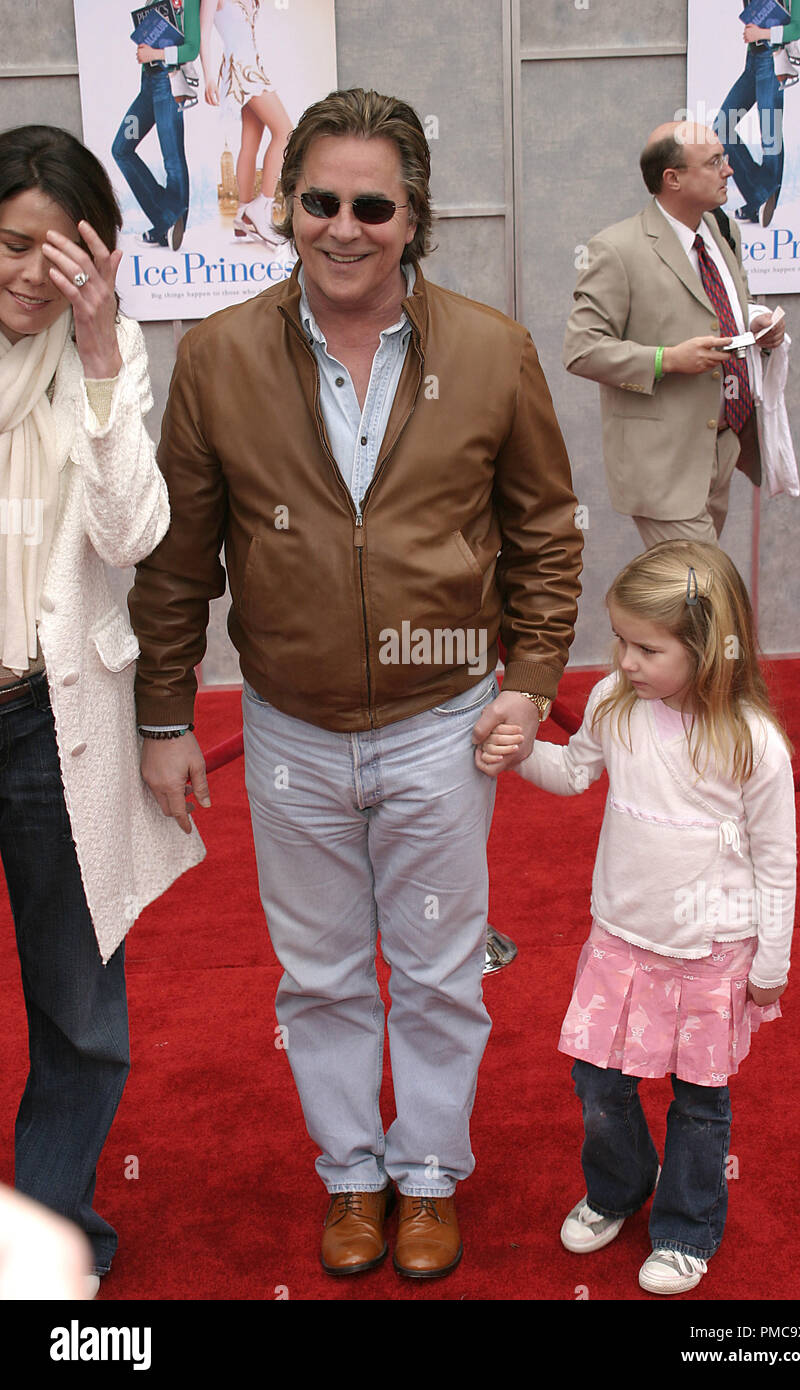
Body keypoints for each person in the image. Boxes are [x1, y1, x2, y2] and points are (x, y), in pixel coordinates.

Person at [128, 88, 583, 1280]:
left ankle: (427, 1173)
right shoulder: (218, 356)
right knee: (320, 973)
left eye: (371, 205)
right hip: (286, 729)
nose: (343, 226)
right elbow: (179, 557)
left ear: (413, 217)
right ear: (283, 209)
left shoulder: (492, 351)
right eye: (318, 200)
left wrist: (528, 680)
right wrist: (166, 714)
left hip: (444, 724)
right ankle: (351, 1173)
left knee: (437, 966)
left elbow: (544, 530)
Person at [479, 540, 795, 1295]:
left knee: (700, 1102)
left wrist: (770, 964)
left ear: (711, 647)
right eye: (619, 639)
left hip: (712, 955)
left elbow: (777, 862)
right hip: (619, 943)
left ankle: (687, 1227)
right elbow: (573, 772)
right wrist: (518, 750)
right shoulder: (614, 707)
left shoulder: (754, 743)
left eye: (646, 647)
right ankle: (620, 1186)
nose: (624, 659)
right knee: (597, 1084)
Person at [0, 125, 204, 1293]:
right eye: (13, 244)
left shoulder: (109, 351)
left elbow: (134, 533)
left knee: (80, 1007)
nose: (34, 272)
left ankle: (50, 1236)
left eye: (62, 253)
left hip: (46, 717)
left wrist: (96, 350)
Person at [563, 121, 786, 549]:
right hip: (662, 464)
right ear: (673, 178)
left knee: (694, 599)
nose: (730, 171)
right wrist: (667, 360)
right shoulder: (616, 249)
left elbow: (724, 301)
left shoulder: (722, 231)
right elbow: (581, 350)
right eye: (715, 162)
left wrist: (754, 322)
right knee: (698, 594)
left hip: (722, 448)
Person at [200, 0, 293, 246]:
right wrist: (208, 77)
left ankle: (243, 212)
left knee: (250, 142)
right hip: (242, 70)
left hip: (252, 67)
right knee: (285, 131)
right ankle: (262, 206)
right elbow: (204, 32)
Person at [111, 0, 201, 249]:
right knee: (121, 148)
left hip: (168, 83)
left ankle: (168, 227)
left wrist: (156, 54)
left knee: (172, 158)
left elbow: (192, 49)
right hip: (149, 85)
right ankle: (166, 219)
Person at [714, 2, 800, 227]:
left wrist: (762, 33)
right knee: (721, 128)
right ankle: (759, 198)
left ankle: (760, 201)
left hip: (772, 58)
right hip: (753, 59)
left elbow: (797, 28)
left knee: (770, 135)